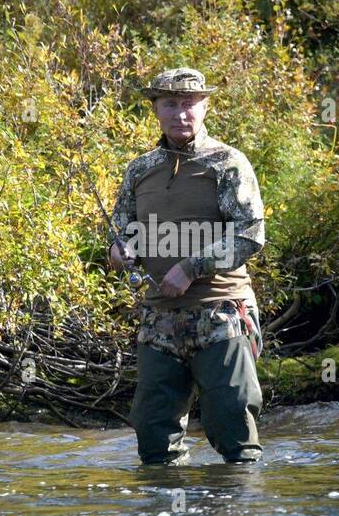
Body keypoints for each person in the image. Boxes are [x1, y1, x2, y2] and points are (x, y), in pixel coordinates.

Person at [108, 67, 266, 465]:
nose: (181, 113)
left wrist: (191, 267)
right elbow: (123, 233)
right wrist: (120, 251)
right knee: (154, 436)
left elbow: (249, 234)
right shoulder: (139, 170)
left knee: (234, 427)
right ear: (156, 110)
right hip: (159, 318)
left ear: (205, 107)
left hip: (222, 312)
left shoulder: (228, 163)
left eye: (189, 104)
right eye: (171, 104)